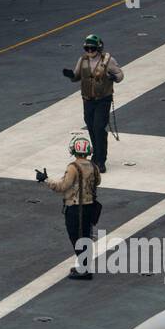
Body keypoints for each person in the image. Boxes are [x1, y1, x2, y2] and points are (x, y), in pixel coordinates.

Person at [36, 136, 101, 280]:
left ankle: (84, 270)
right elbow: (98, 182)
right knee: (86, 236)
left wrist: (46, 179)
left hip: (76, 208)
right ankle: (84, 266)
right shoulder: (94, 166)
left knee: (76, 237)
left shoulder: (73, 167)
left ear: (74, 150)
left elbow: (62, 186)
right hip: (90, 207)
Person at [63, 34, 123, 172]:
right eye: (87, 48)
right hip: (88, 100)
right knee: (91, 127)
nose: (89, 51)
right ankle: (96, 156)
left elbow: (120, 75)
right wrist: (70, 75)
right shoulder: (82, 60)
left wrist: (113, 76)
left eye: (92, 48)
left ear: (99, 48)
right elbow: (77, 76)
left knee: (98, 128)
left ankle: (101, 160)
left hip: (103, 100)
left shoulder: (108, 61)